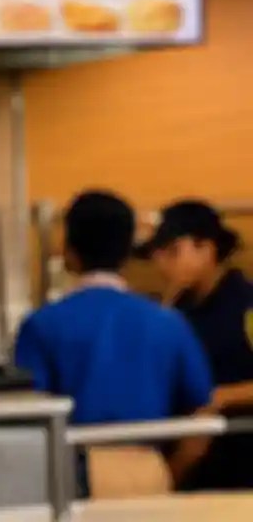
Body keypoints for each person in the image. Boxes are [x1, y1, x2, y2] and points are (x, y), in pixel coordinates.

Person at [13, 190, 213, 493]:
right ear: (128, 250)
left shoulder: (43, 325)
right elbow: (202, 415)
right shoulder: (168, 323)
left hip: (69, 474)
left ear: (69, 251)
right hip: (150, 471)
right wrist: (169, 474)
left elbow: (25, 417)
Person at [137, 199, 253, 490]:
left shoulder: (245, 304)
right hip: (193, 459)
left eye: (172, 252)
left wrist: (220, 397)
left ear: (207, 248)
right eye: (157, 254)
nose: (162, 263)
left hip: (241, 456)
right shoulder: (179, 307)